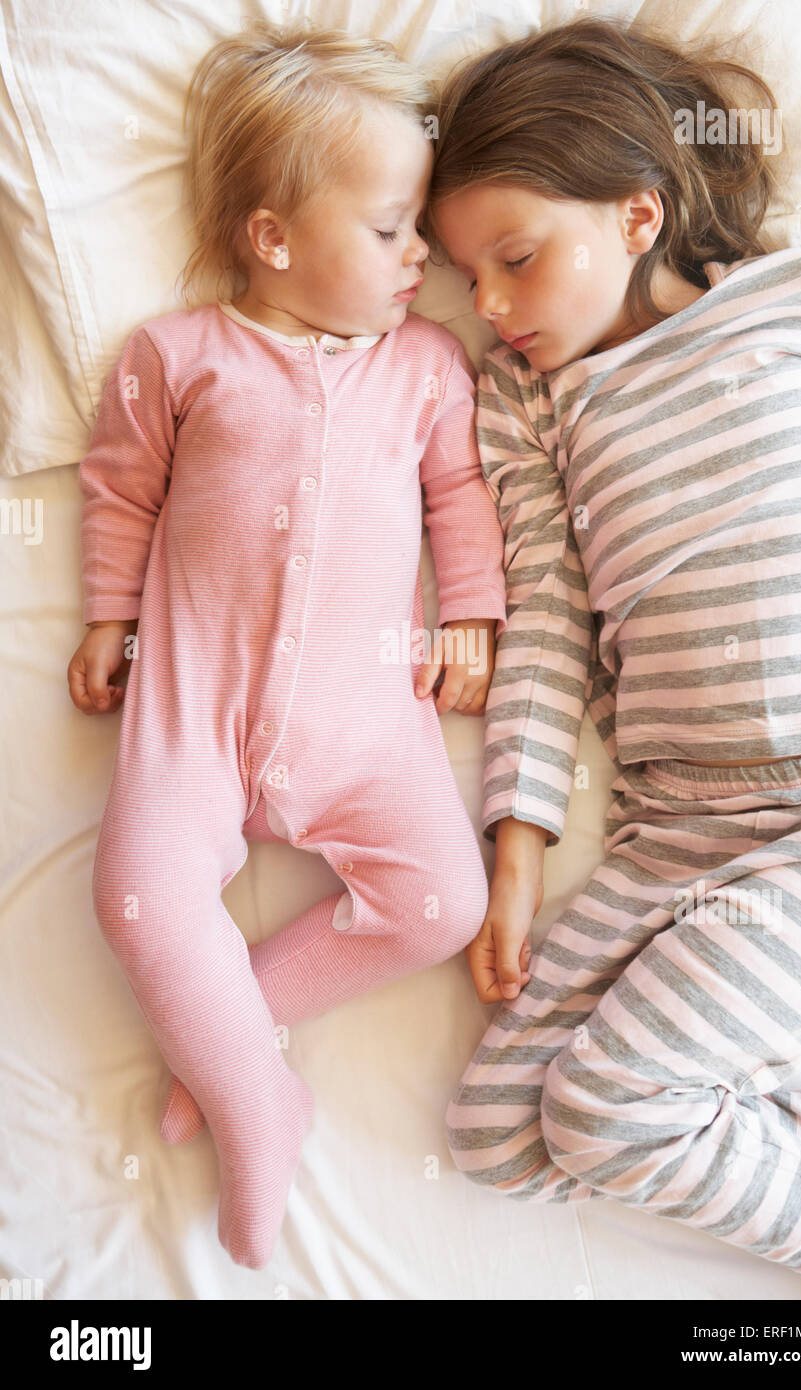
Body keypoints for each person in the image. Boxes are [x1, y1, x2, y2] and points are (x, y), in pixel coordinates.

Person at [424, 13, 801, 1299]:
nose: (492, 307)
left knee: (610, 1111)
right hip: (675, 828)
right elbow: (547, 621)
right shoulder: (530, 402)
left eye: (515, 259)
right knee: (497, 1139)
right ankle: (788, 1093)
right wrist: (515, 846)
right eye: (469, 280)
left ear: (636, 213)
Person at [65, 19, 507, 1270]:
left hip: (365, 719)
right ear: (273, 239)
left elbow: (461, 498)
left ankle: (231, 1038)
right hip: (191, 706)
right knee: (136, 894)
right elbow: (116, 490)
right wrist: (111, 614)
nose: (419, 256)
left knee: (439, 898)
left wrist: (469, 608)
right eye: (388, 230)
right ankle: (262, 1101)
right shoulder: (177, 355)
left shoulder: (424, 367)